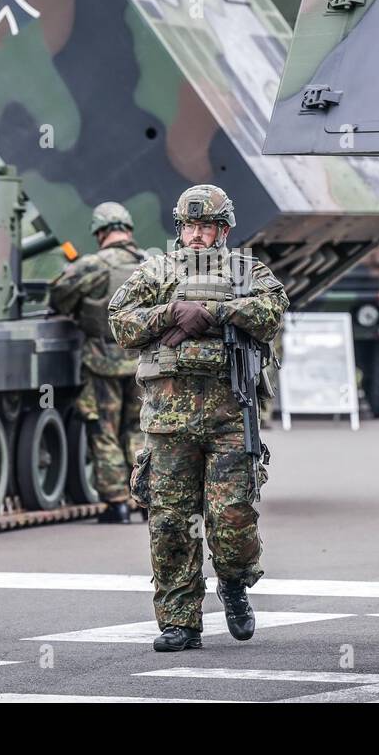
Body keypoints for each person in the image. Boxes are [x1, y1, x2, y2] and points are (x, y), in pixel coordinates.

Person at [109, 184, 288, 651]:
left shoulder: (247, 271)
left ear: (223, 229)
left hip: (230, 419)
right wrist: (169, 312)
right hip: (168, 424)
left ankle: (234, 581)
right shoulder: (156, 271)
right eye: (188, 226)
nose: (195, 235)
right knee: (170, 524)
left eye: (205, 226)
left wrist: (212, 312)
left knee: (232, 521)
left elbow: (272, 311)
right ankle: (180, 622)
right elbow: (120, 321)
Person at [48, 202, 148, 524]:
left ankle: (117, 504)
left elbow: (59, 294)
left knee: (103, 430)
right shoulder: (152, 264)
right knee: (140, 430)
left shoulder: (93, 265)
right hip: (145, 362)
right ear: (128, 229)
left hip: (103, 361)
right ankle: (147, 499)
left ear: (100, 232)